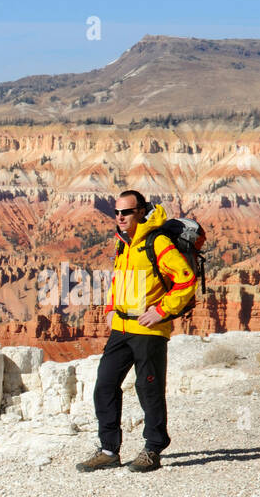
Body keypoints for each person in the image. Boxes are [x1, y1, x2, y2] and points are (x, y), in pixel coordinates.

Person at [76, 190, 198, 473]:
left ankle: (153, 449)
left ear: (141, 212)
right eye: (116, 212)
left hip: (150, 329)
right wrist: (109, 308)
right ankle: (108, 450)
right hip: (121, 327)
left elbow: (186, 279)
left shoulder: (157, 242)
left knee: (149, 388)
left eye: (126, 212)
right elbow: (120, 281)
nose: (120, 217)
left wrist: (161, 311)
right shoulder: (124, 243)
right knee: (104, 385)